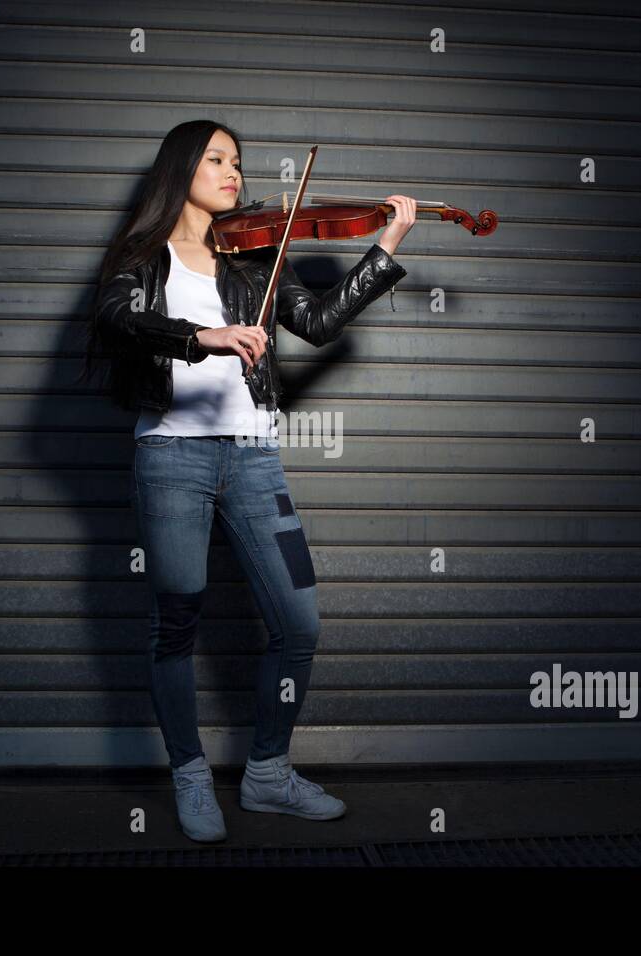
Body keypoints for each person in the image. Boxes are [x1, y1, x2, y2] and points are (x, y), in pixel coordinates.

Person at [83, 120, 415, 842]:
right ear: (181, 169)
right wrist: (203, 338)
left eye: (237, 161)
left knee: (298, 625)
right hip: (172, 457)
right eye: (216, 158)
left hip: (254, 458)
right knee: (178, 621)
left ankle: (267, 775)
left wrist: (385, 245)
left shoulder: (254, 256)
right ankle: (191, 775)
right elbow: (115, 321)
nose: (233, 172)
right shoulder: (143, 256)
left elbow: (321, 324)